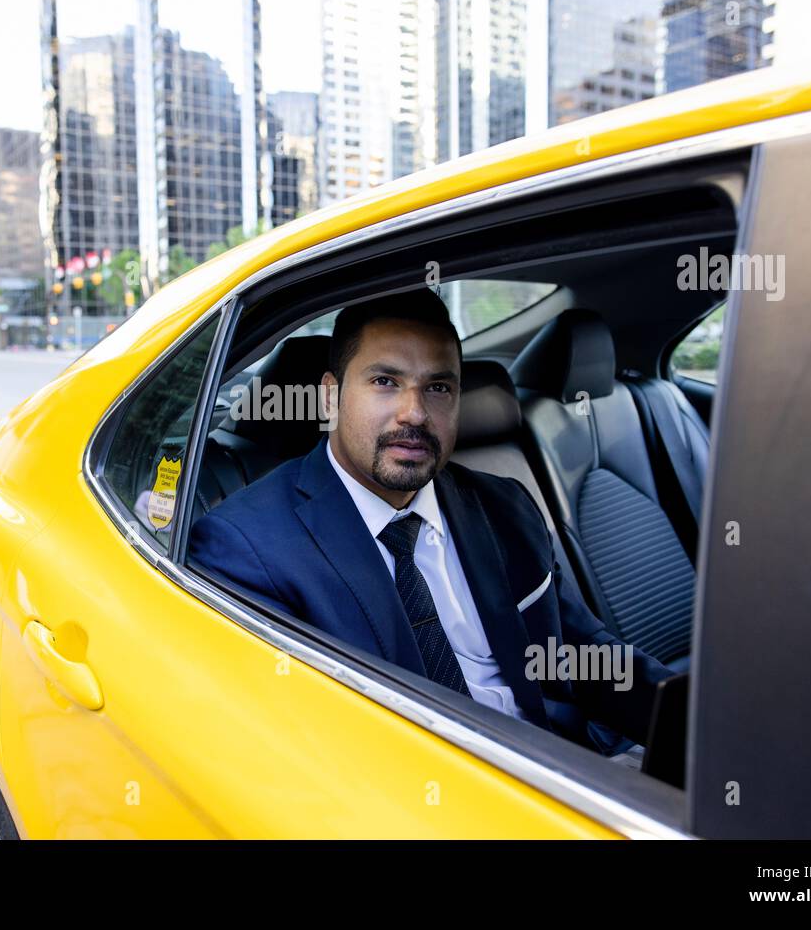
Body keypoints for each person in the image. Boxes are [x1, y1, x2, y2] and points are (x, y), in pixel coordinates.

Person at [188, 290, 674, 755]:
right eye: (385, 382)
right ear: (331, 397)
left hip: (559, 763)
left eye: (438, 387)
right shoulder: (247, 548)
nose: (414, 413)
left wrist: (686, 719)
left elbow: (582, 649)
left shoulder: (505, 506)